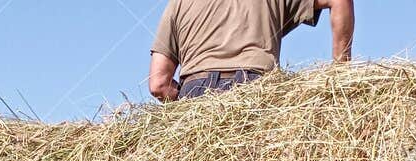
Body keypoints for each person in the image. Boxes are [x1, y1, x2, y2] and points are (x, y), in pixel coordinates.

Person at [149, 0, 355, 102]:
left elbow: (158, 84)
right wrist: (340, 73)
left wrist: (186, 103)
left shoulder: (178, 4)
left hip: (195, 90)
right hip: (255, 87)